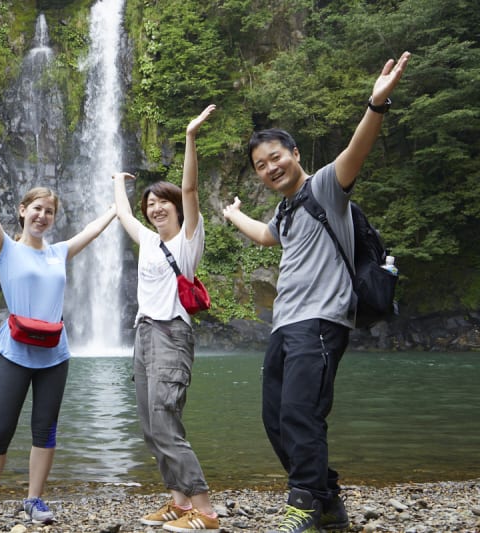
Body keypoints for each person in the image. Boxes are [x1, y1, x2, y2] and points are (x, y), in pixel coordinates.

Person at [222, 52, 410, 533]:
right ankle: (327, 501)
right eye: (261, 165)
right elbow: (266, 237)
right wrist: (231, 215)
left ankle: (303, 502)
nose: (270, 168)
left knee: (302, 412)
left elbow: (356, 151)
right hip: (285, 324)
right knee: (276, 418)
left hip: (323, 320)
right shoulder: (284, 213)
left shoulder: (326, 187)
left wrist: (377, 105)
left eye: (276, 158)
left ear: (295, 154)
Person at [0, 136, 117, 529]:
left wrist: (118, 201)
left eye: (49, 211)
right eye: (37, 208)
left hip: (56, 354)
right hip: (15, 352)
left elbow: (94, 230)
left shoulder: (60, 252)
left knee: (45, 429)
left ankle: (34, 500)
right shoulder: (4, 248)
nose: (43, 216)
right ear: (22, 211)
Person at [111, 104, 220, 533]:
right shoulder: (149, 242)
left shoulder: (188, 241)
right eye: (150, 204)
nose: (155, 209)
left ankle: (206, 511)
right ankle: (177, 502)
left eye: (162, 203)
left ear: (176, 207)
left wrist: (190, 136)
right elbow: (123, 216)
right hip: (143, 333)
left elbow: (191, 190)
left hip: (172, 333)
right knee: (149, 425)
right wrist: (117, 183)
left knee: (166, 419)